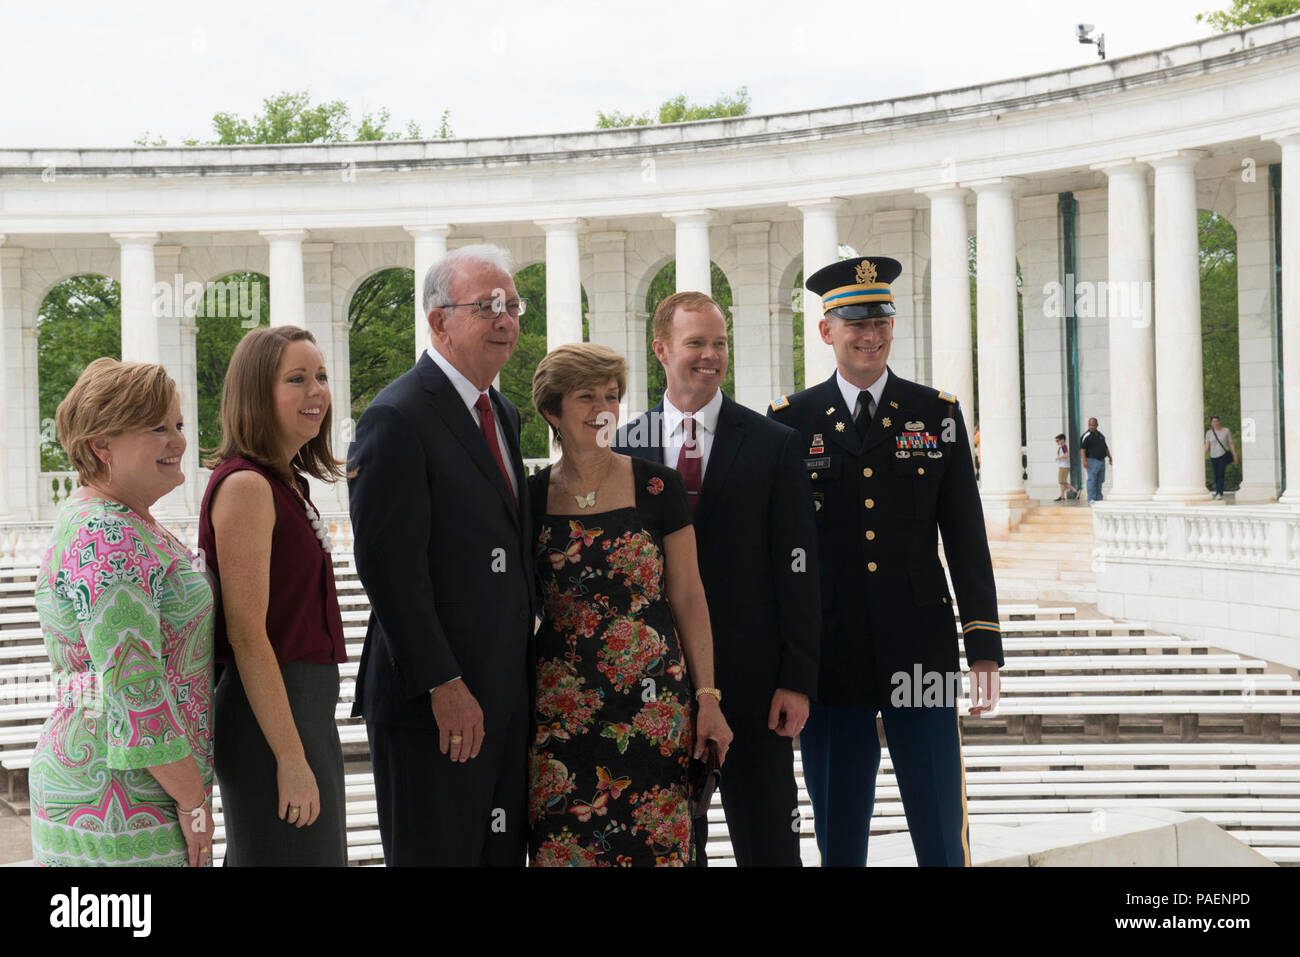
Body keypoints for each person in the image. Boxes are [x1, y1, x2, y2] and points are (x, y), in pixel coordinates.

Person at [768, 256, 1003, 867]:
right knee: (838, 834)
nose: (871, 336)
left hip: (919, 650)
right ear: (827, 331)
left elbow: (966, 537)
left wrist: (983, 648)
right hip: (831, 653)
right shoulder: (789, 424)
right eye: (855, 324)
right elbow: (780, 554)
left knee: (940, 826)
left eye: (881, 322)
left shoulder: (937, 414)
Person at [615, 291, 819, 867]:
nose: (710, 356)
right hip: (658, 687)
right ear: (661, 349)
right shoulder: (623, 449)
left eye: (719, 343)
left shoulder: (775, 445)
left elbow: (799, 569)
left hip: (756, 691)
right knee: (673, 850)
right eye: (695, 343)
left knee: (772, 847)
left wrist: (797, 679)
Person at [348, 244, 536, 866]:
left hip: (503, 695)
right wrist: (444, 681)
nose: (505, 320)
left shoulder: (502, 413)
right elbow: (387, 566)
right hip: (433, 704)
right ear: (437, 321)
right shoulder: (395, 416)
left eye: (512, 305)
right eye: (487, 306)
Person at [527, 342, 733, 866]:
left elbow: (688, 595)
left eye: (612, 396)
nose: (603, 408)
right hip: (560, 716)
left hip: (654, 711)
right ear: (551, 409)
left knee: (657, 849)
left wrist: (707, 697)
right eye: (586, 396)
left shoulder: (659, 486)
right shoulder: (526, 499)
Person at [30, 359, 214, 867]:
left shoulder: (119, 519)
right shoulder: (108, 534)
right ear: (101, 446)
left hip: (132, 788)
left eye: (177, 424)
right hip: (121, 797)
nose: (177, 439)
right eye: (157, 428)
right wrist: (194, 803)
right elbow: (136, 692)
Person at [197, 326, 348, 866]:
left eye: (321, 376)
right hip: (272, 713)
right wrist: (289, 756)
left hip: (302, 708)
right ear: (258, 393)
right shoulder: (246, 486)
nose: (317, 391)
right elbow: (246, 633)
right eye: (297, 379)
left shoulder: (287, 481)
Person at [1204, 415, 1237, 500]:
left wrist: (1234, 455)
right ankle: (1218, 491)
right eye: (1213, 421)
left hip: (1223, 455)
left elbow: (1230, 443)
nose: (1215, 423)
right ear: (1211, 423)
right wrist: (1201, 455)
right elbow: (1207, 446)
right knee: (1216, 475)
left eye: (1216, 421)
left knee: (1221, 474)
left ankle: (1219, 493)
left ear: (1219, 422)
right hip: (1213, 456)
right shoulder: (1209, 433)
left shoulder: (1226, 431)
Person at [1080, 417, 1111, 504]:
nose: (1091, 427)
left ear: (1097, 425)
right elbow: (1082, 449)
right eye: (1090, 425)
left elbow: (1105, 447)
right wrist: (1084, 460)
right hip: (1091, 461)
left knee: (1100, 480)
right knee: (1092, 480)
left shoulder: (1101, 436)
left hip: (1101, 461)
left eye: (1093, 425)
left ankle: (1099, 498)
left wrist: (1110, 457)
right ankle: (1091, 498)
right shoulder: (1086, 436)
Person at [1054, 433, 1079, 503]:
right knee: (1062, 482)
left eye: (1058, 440)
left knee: (1062, 481)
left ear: (1062, 440)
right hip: (1063, 466)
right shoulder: (1062, 447)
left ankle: (1075, 491)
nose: (1057, 442)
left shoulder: (1064, 447)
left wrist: (1059, 457)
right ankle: (1062, 497)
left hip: (1064, 466)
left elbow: (1067, 455)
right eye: (1056, 441)